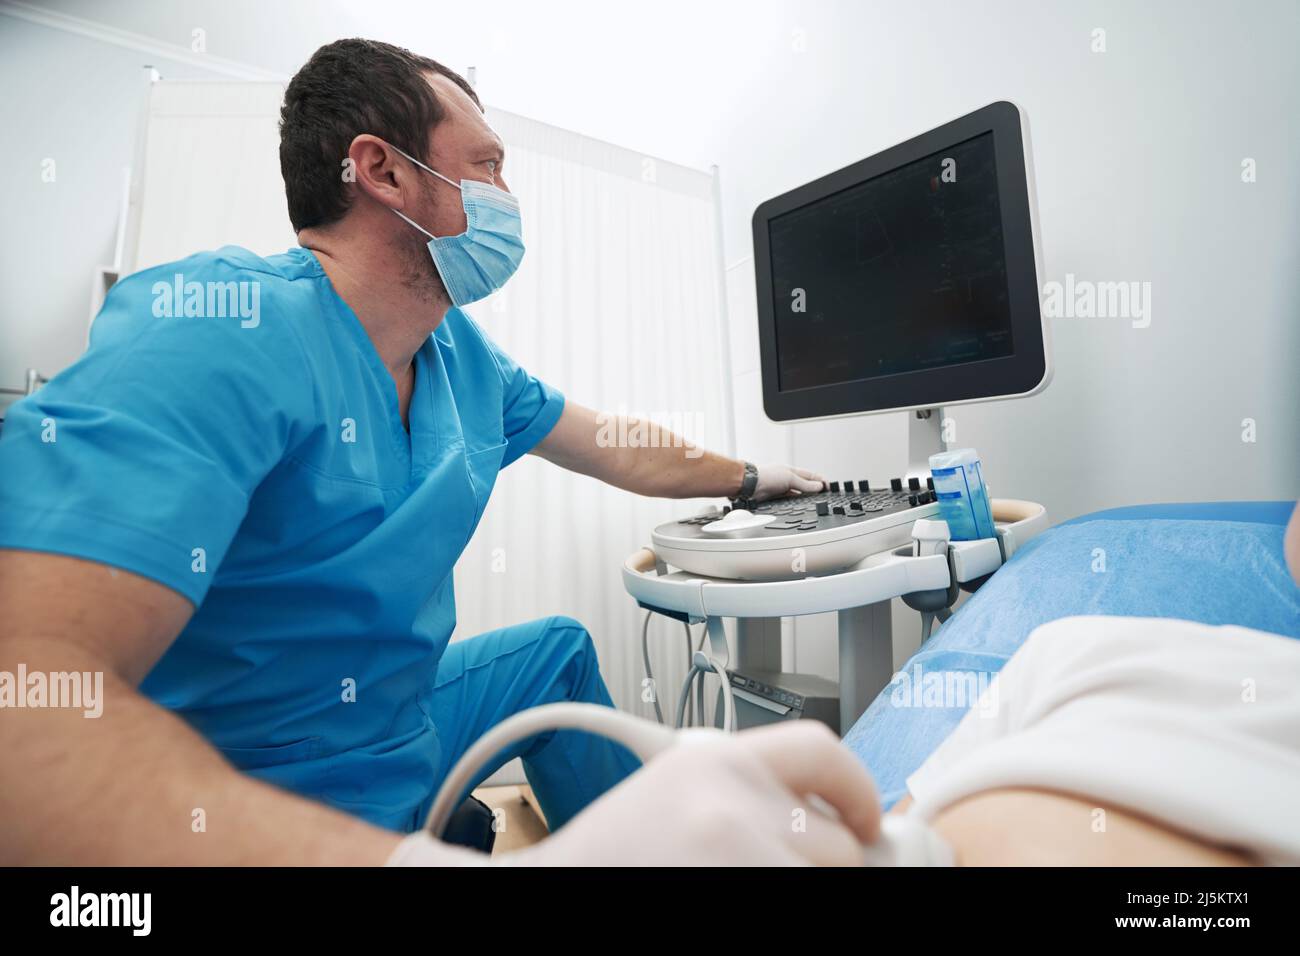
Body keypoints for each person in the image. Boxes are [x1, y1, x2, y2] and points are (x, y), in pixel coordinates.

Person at [0, 38, 841, 866]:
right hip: (252, 766)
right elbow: (25, 693)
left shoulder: (463, 360)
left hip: (391, 719)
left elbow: (619, 448)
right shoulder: (215, 326)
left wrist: (757, 478)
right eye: (487, 166)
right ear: (385, 171)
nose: (507, 196)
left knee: (555, 652)